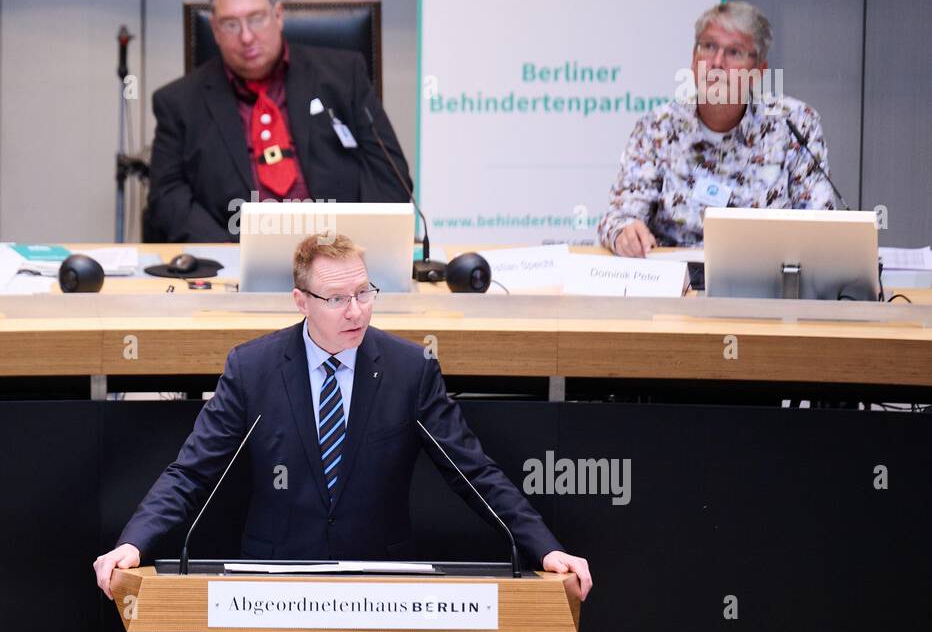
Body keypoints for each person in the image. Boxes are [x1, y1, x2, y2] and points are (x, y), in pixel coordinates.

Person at [94, 233, 592, 601]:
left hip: (383, 584)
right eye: (337, 299)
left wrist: (544, 549)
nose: (356, 311)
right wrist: (134, 543)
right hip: (271, 585)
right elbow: (192, 471)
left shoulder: (408, 370)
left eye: (364, 292)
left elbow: (474, 473)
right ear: (301, 302)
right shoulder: (254, 369)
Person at [145, 0, 412, 242]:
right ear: (215, 29)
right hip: (235, 253)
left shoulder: (343, 77)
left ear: (278, 16)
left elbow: (389, 173)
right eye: (231, 24)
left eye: (256, 19)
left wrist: (356, 248)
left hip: (338, 250)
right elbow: (167, 195)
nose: (246, 37)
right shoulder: (179, 102)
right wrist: (225, 251)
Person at [599, 1, 837, 256]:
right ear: (693, 60)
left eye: (734, 52)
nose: (717, 62)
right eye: (709, 47)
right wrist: (624, 233)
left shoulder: (795, 124)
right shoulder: (658, 127)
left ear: (759, 72)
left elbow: (819, 225)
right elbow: (617, 218)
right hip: (675, 286)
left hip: (763, 283)